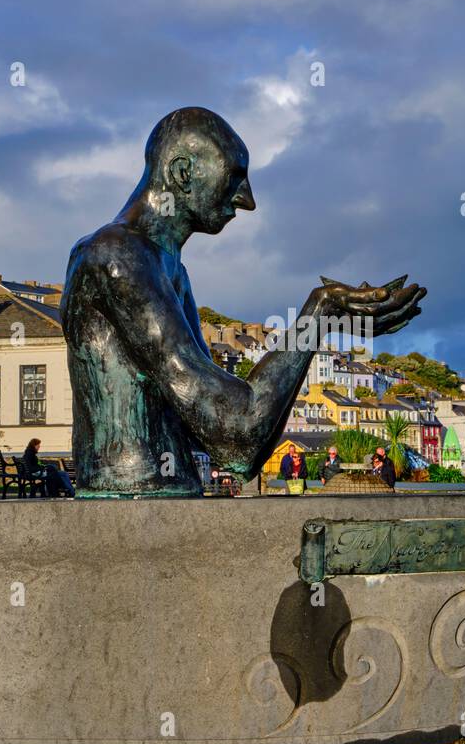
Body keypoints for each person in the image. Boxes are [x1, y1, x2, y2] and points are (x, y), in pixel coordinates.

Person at [61, 106, 426, 496]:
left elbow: (240, 449)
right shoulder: (116, 256)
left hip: (163, 498)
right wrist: (318, 316)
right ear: (183, 173)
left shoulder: (169, 269)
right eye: (235, 176)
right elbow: (235, 436)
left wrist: (321, 318)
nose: (247, 200)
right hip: (133, 509)